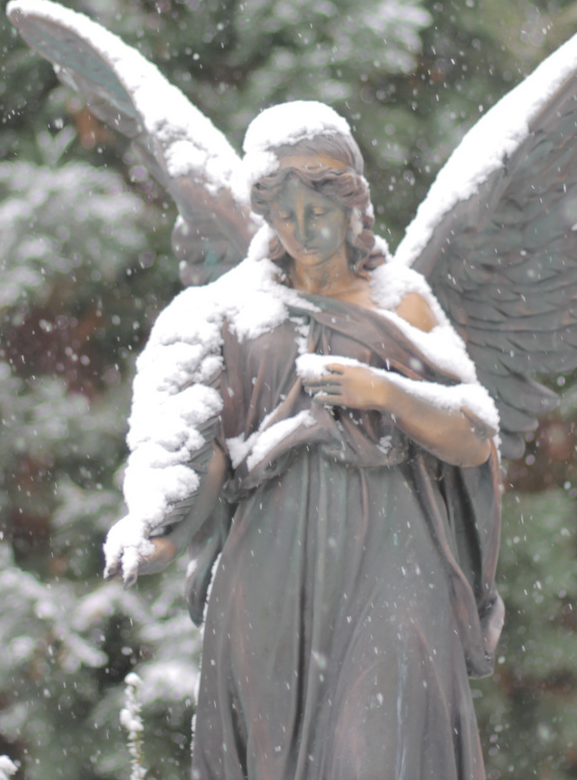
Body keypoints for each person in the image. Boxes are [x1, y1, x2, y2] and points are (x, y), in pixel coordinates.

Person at [121, 103, 505, 780]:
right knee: (276, 756)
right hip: (269, 557)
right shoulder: (233, 310)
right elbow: (213, 443)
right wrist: (169, 536)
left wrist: (384, 391)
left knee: (376, 749)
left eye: (317, 211)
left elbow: (473, 436)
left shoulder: (401, 302)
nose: (301, 230)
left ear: (353, 202)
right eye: (284, 215)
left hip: (390, 550)